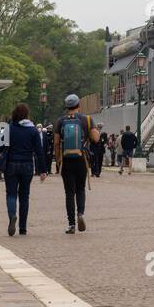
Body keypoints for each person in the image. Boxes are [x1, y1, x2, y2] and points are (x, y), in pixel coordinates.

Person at [0, 103, 48, 236]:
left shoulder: (9, 128)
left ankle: (12, 216)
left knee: (11, 194)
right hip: (27, 165)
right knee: (24, 196)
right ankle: (23, 227)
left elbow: (0, 147)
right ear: (27, 115)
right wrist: (43, 170)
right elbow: (39, 152)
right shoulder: (33, 130)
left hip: (11, 165)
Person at [53, 94, 93, 234]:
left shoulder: (60, 121)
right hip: (81, 158)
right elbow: (95, 138)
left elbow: (57, 143)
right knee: (80, 188)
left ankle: (71, 225)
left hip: (67, 160)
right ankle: (80, 213)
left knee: (69, 193)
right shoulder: (86, 119)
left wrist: (58, 161)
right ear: (78, 105)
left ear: (67, 107)